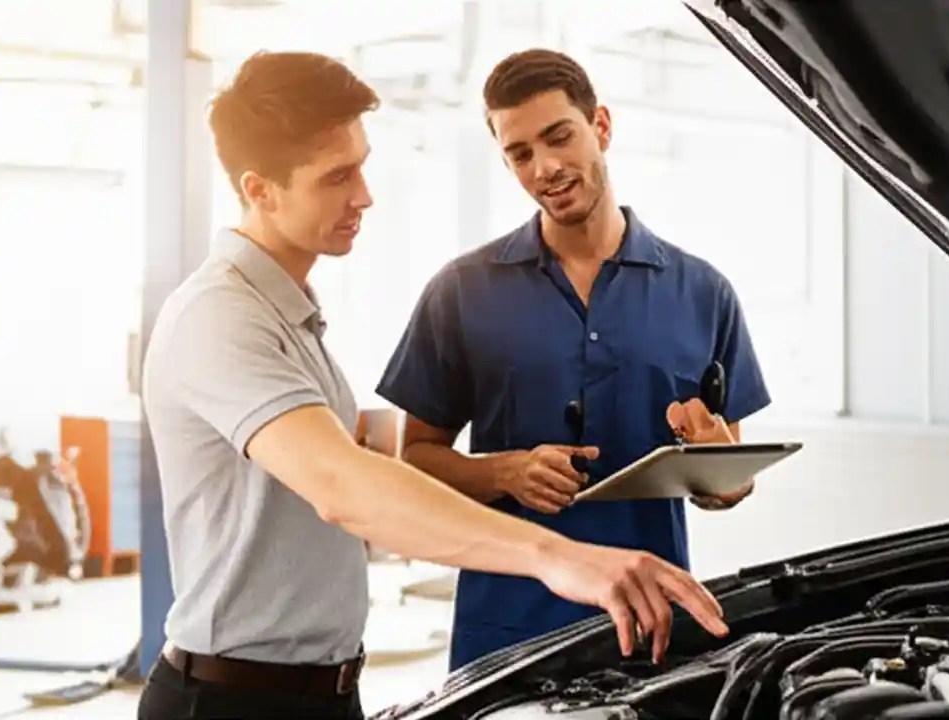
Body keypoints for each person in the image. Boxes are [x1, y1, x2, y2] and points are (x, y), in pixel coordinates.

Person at [136, 50, 730, 720]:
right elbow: (346, 488)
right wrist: (554, 554)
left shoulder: (290, 316)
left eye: (360, 165)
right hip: (231, 701)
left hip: (316, 690)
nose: (364, 195)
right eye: (337, 177)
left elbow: (360, 478)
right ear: (260, 189)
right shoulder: (221, 317)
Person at [376, 48, 772, 672]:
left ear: (602, 127)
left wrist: (716, 467)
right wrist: (503, 473)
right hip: (505, 635)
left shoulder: (703, 292)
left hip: (652, 630)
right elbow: (416, 458)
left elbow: (728, 484)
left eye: (559, 137)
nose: (546, 168)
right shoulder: (460, 290)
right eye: (521, 153)